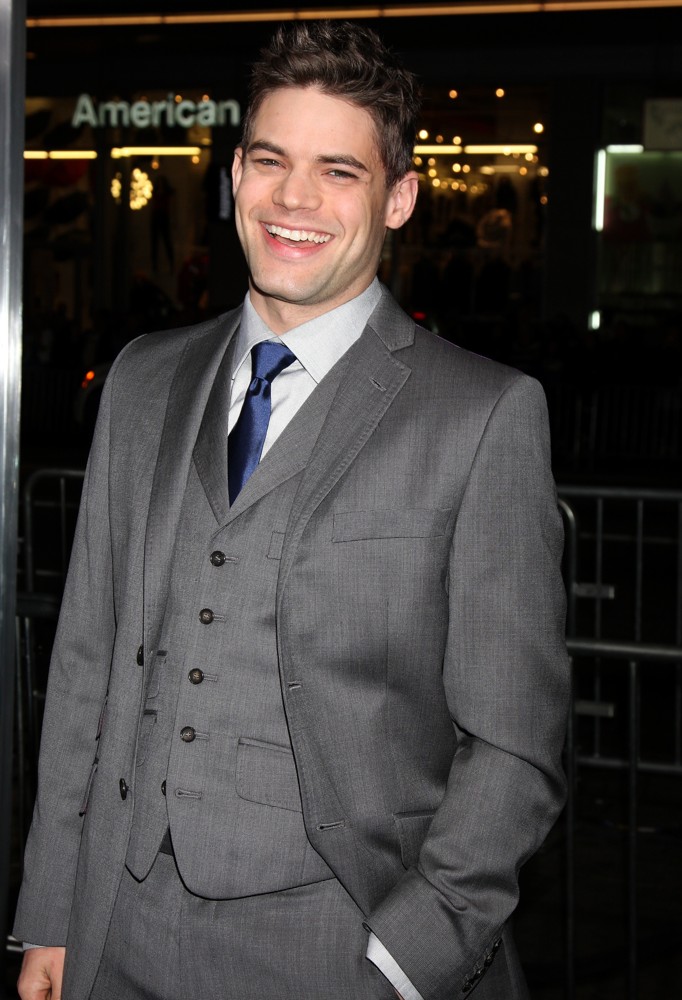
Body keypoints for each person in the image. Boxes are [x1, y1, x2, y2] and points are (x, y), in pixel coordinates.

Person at [15, 20, 569, 1000]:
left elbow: (515, 743)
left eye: (339, 171)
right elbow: (86, 667)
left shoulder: (482, 414)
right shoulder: (144, 379)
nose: (294, 199)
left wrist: (407, 957)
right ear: (234, 174)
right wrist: (53, 911)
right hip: (119, 923)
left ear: (398, 197)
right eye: (270, 161)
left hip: (337, 938)